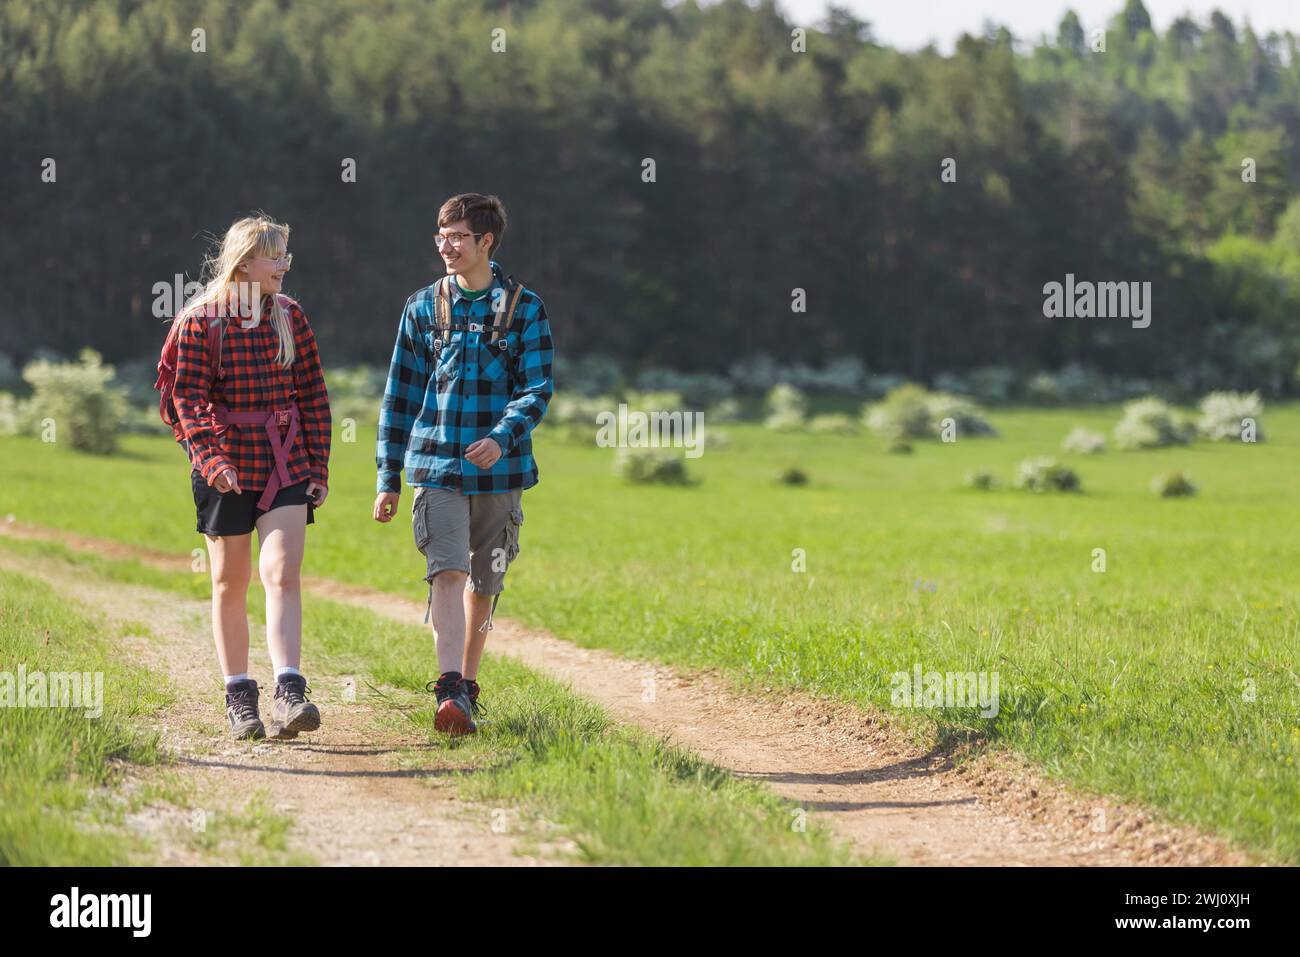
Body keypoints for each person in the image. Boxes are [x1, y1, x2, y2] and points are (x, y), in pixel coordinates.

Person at [374, 193, 553, 734]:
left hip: (502, 471)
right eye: (440, 235)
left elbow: (538, 387)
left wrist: (501, 437)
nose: (446, 246)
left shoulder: (525, 308)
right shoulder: (422, 307)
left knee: (485, 582)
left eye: (457, 237)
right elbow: (398, 397)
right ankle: (448, 688)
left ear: (486, 242)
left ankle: (468, 687)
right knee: (447, 572)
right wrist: (388, 477)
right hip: (435, 466)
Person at [171, 213, 332, 740]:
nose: (284, 264)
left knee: (283, 572)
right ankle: (240, 696)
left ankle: (290, 690)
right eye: (274, 256)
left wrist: (318, 465)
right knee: (229, 581)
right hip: (225, 464)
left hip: (284, 461)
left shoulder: (291, 317)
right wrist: (213, 463)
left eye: (286, 255)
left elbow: (312, 396)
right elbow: (187, 399)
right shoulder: (201, 321)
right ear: (245, 263)